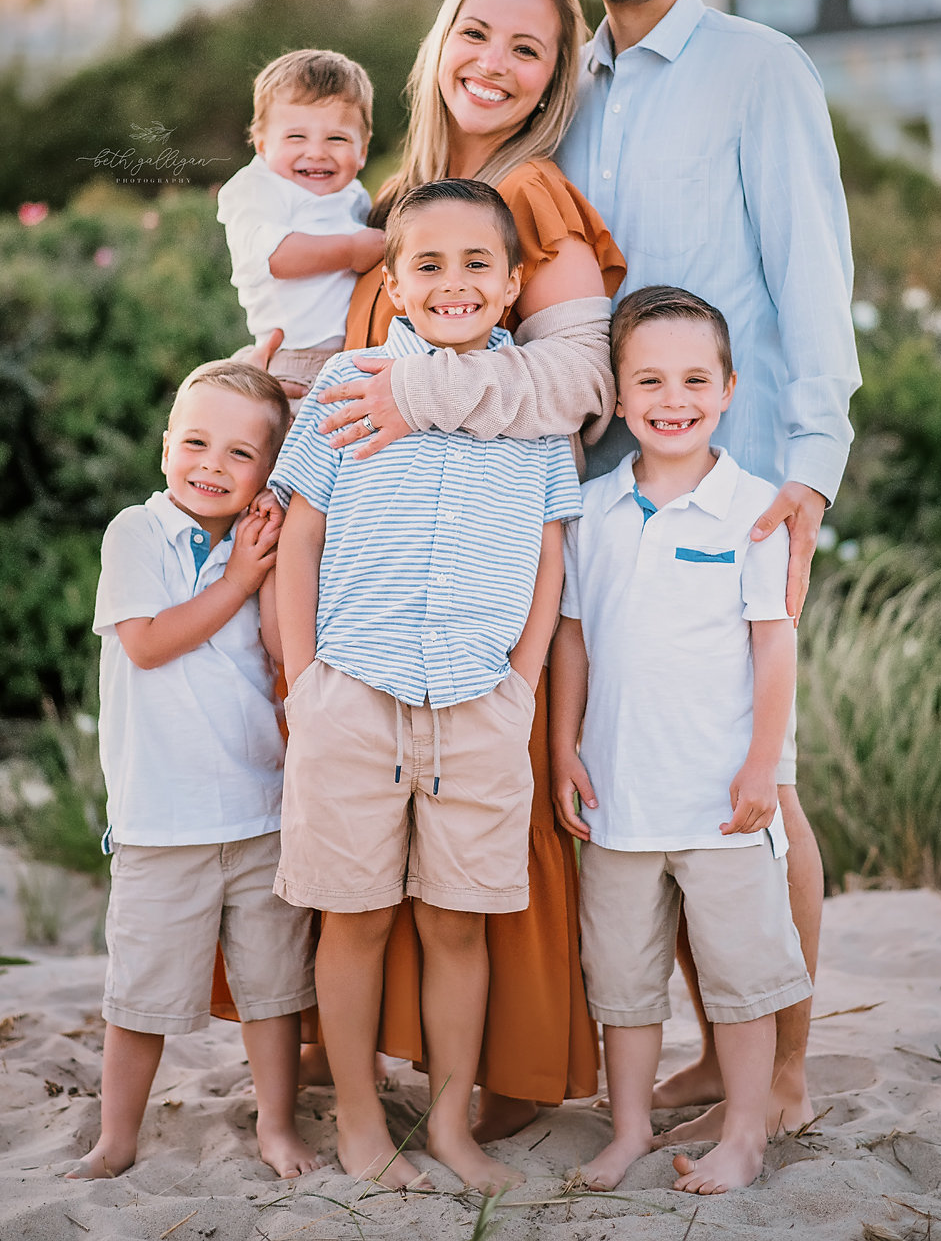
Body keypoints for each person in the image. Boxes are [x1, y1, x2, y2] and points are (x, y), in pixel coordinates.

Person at [557, 0, 860, 1139]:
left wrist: (814, 464)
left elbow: (812, 266)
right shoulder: (570, 87)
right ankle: (716, 1056)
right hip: (608, 494)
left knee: (758, 785)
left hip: (739, 481)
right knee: (661, 774)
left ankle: (780, 1075)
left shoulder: (758, 66)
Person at [321, 0, 625, 1138]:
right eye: (477, 34)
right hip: (365, 583)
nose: (493, 65)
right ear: (440, 38)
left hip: (477, 585)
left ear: (554, 80)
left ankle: (495, 1077)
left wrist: (420, 395)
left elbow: (579, 379)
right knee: (352, 846)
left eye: (529, 50)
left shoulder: (529, 195)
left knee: (478, 844)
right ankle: (373, 1075)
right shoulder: (392, 202)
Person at [270, 179, 583, 1193]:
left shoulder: (533, 410)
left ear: (514, 282)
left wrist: (522, 682)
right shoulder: (347, 385)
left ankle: (450, 1122)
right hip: (353, 691)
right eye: (430, 265)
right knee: (353, 917)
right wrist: (302, 682)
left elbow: (549, 554)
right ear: (396, 288)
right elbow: (301, 539)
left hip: (479, 701)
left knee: (457, 920)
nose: (455, 283)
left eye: (477, 264)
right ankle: (362, 1122)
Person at [551, 286, 812, 1195]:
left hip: (720, 798)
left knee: (739, 979)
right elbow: (572, 639)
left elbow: (774, 647)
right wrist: (562, 747)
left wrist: (760, 768)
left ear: (731, 387)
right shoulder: (590, 511)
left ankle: (745, 1132)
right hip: (620, 798)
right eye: (649, 380)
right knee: (623, 985)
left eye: (696, 378)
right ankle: (626, 1132)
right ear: (618, 398)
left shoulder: (755, 512)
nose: (674, 398)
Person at [75, 361, 320, 1181]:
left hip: (258, 807)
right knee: (140, 992)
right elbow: (147, 642)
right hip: (162, 815)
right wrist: (243, 576)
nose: (213, 465)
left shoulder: (263, 540)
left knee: (273, 987)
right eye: (196, 443)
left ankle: (277, 1125)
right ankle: (117, 1136)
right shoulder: (134, 534)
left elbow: (286, 650)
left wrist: (268, 565)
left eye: (241, 454)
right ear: (164, 449)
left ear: (267, 473)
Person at [217, 49, 385, 411]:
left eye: (337, 139)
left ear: (362, 151)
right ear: (262, 144)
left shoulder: (352, 194)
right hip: (296, 361)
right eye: (296, 137)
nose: (317, 152)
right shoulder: (257, 188)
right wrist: (354, 251)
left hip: (353, 353)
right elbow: (274, 256)